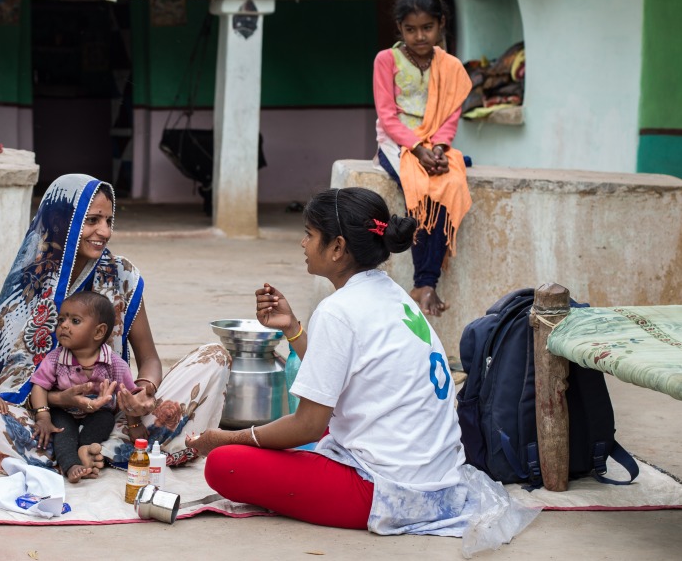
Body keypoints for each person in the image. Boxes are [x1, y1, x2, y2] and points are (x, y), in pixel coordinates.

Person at [184, 187, 533, 545]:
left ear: (336, 247)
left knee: (224, 463)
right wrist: (293, 328)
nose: (302, 243)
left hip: (384, 490)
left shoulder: (338, 311)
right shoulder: (391, 294)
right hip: (437, 478)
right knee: (295, 436)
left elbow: (307, 425)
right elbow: (335, 376)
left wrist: (223, 438)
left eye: (309, 235)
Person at [0, 173, 231, 475]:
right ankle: (88, 454)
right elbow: (13, 381)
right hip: (48, 420)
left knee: (214, 357)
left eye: (108, 221)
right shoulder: (29, 283)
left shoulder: (121, 274)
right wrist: (57, 399)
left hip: (116, 416)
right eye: (91, 220)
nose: (103, 232)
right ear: (62, 221)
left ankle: (100, 450)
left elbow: (149, 358)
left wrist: (141, 394)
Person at [373, 0, 474, 317]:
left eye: (427, 27)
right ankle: (426, 281)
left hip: (436, 143)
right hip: (398, 142)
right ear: (400, 28)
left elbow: (450, 116)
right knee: (418, 189)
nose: (420, 36)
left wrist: (441, 149)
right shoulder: (386, 60)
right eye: (411, 29)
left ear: (441, 24)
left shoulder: (451, 66)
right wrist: (416, 148)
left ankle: (425, 284)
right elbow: (388, 115)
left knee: (451, 185)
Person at [29, 291, 138, 483]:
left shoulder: (114, 364)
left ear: (98, 332)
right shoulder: (55, 359)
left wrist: (135, 424)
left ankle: (85, 449)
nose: (63, 325)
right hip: (64, 411)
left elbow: (127, 396)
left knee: (105, 421)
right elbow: (39, 386)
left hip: (98, 413)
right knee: (61, 431)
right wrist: (43, 416)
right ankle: (71, 465)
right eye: (62, 319)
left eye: (75, 321)